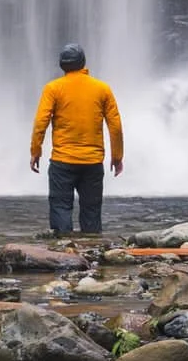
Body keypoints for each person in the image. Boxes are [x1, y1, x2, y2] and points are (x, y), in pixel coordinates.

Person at [28, 43, 123, 235]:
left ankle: (64, 251)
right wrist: (117, 156)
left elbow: (41, 122)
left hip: (62, 161)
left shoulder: (53, 88)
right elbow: (115, 126)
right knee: (91, 210)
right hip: (92, 161)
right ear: (83, 63)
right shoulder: (102, 88)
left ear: (62, 65)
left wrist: (35, 152)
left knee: (61, 206)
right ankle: (93, 252)